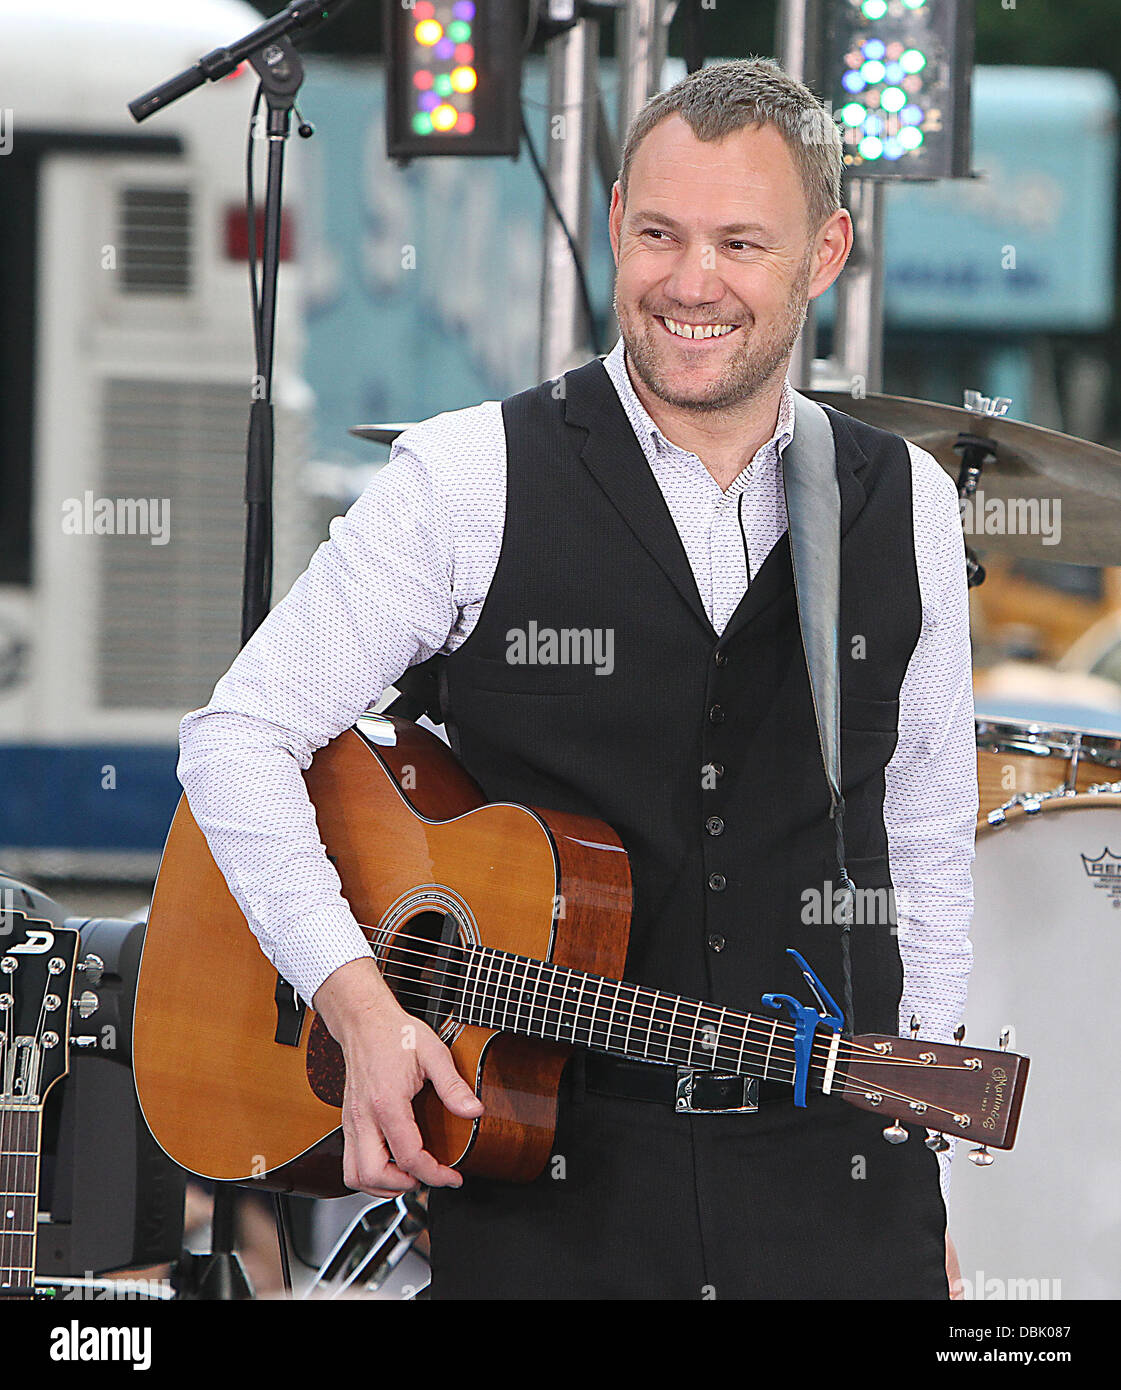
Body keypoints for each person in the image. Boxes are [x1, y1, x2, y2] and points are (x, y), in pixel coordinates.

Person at [178, 57, 976, 1299]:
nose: (689, 282)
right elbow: (237, 739)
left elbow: (924, 831)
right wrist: (355, 1001)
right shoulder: (466, 480)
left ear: (824, 254)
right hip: (549, 1192)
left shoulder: (905, 502)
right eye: (657, 233)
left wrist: (910, 1146)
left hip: (831, 1189)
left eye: (738, 242)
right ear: (611, 223)